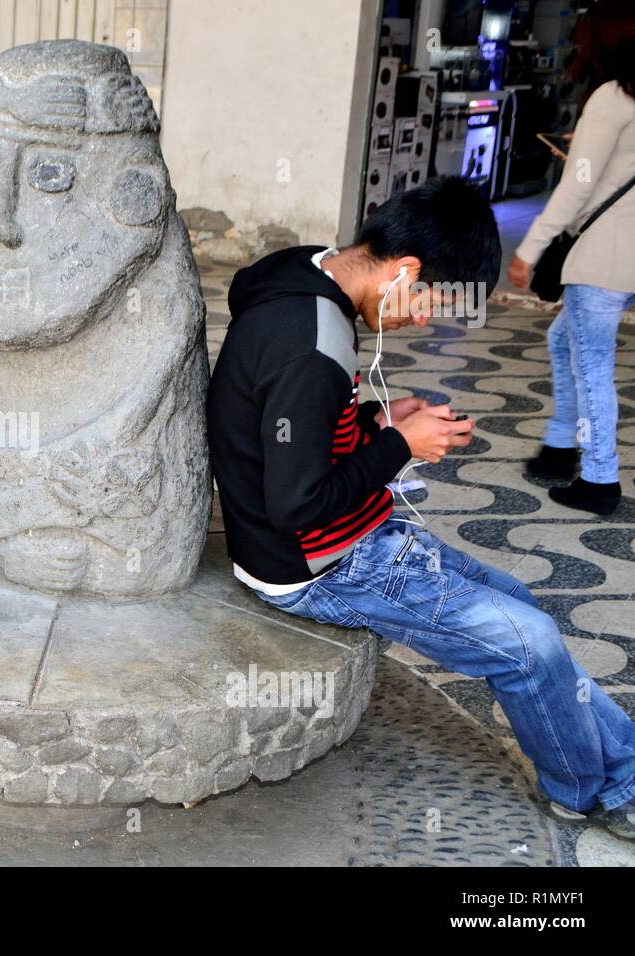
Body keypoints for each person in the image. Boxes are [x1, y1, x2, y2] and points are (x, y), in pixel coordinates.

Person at [208, 176, 635, 841]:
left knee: (519, 597)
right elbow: (297, 504)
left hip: (356, 536)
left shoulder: (307, 271)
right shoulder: (310, 348)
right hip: (318, 566)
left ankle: (627, 767)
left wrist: (379, 420)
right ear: (405, 268)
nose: (423, 320)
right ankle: (586, 792)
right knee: (530, 642)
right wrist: (399, 447)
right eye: (431, 302)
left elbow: (299, 430)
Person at [509, 0, 635, 515]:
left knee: (591, 364)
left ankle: (600, 478)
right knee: (565, 340)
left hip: (602, 258)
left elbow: (576, 189)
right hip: (626, 259)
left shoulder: (611, 97)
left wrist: (530, 248)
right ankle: (559, 447)